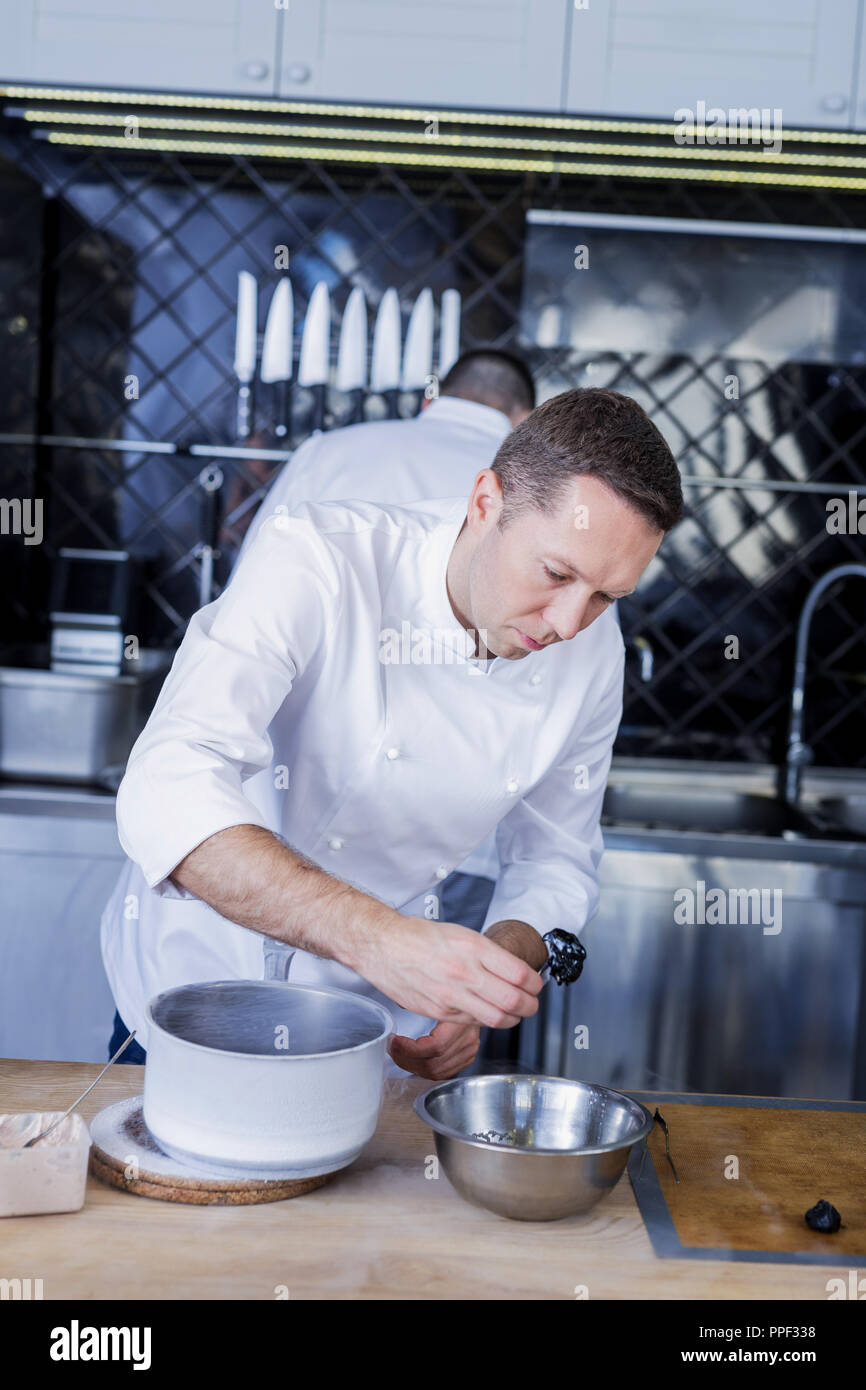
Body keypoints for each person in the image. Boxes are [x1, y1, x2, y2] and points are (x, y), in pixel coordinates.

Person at [100, 387, 682, 1081]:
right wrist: (378, 940)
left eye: (606, 597)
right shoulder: (319, 557)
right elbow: (168, 786)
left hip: (375, 1032)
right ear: (485, 502)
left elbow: (554, 860)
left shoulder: (593, 654)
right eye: (555, 573)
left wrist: (485, 977)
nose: (566, 622)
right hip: (191, 994)